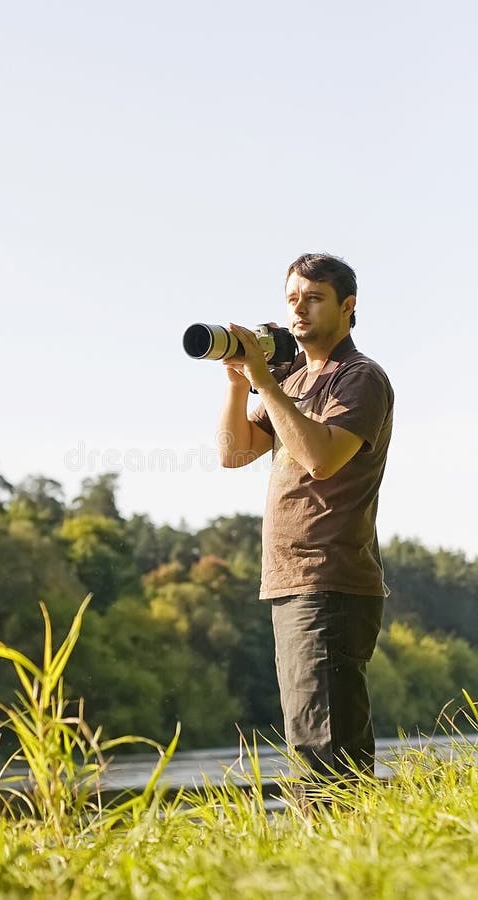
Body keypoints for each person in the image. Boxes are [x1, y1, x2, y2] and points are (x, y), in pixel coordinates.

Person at [217, 252, 394, 800]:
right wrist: (237, 383)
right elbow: (233, 453)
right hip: (291, 580)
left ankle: (346, 872)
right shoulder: (289, 379)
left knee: (326, 748)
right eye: (292, 298)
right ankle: (349, 860)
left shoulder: (359, 378)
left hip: (331, 578)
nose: (299, 309)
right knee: (312, 734)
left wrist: (265, 382)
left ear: (348, 307)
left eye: (314, 298)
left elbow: (320, 458)